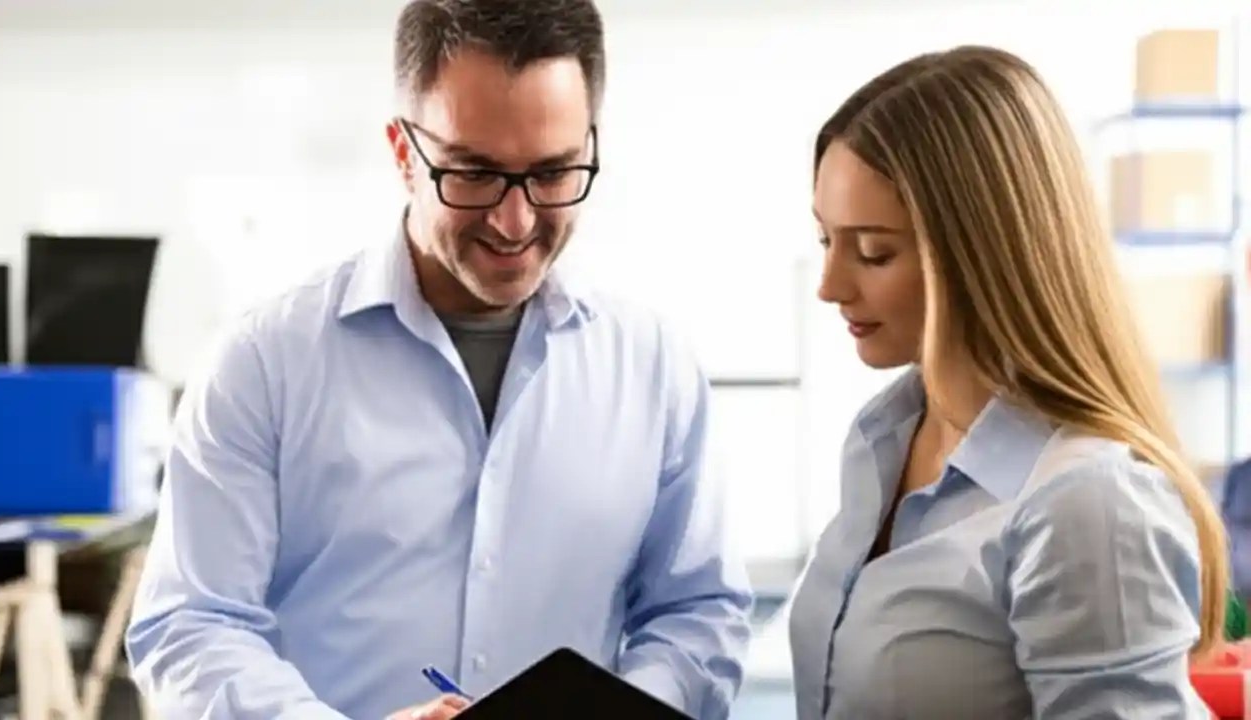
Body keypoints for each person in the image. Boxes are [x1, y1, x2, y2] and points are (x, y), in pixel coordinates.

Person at [124, 1, 753, 719]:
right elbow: (192, 624)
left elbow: (698, 611)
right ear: (403, 153)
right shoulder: (263, 363)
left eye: (553, 174)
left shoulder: (654, 366)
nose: (515, 223)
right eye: (474, 174)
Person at [788, 45, 1230, 719]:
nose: (830, 286)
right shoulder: (886, 435)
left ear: (981, 251)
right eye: (827, 241)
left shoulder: (1087, 502)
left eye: (874, 250)